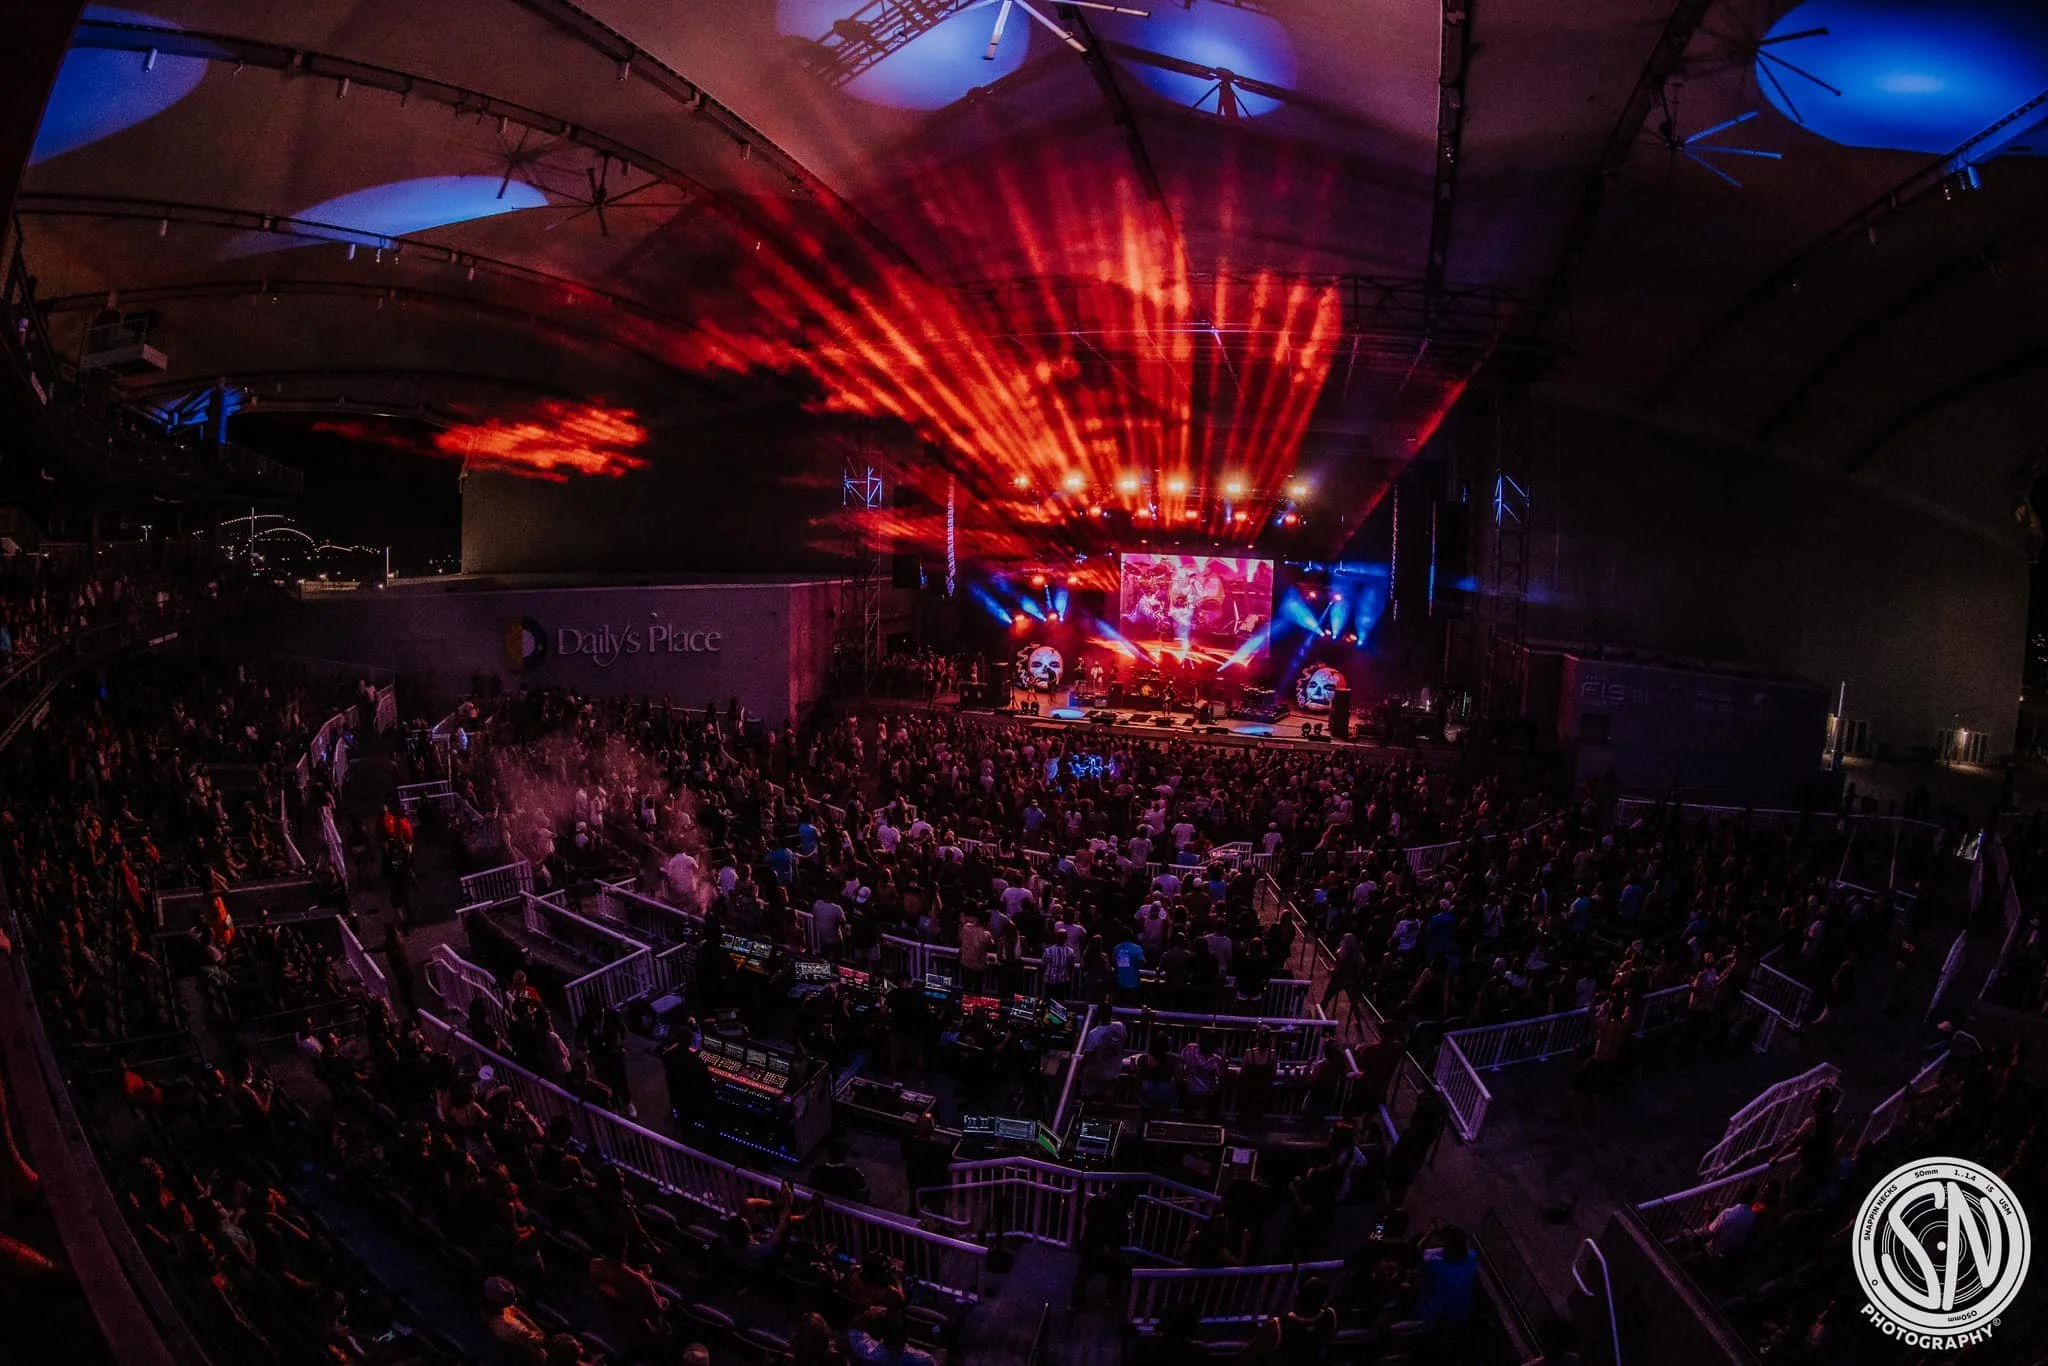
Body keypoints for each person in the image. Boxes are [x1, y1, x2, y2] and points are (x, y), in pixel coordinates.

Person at [1070, 1186, 1131, 1309]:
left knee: (1083, 1274)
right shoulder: (1120, 1211)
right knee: (1116, 1272)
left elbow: (1087, 1212)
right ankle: (1110, 1299)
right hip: (1105, 1248)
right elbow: (1122, 1233)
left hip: (1090, 1245)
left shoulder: (1098, 1203)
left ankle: (1074, 1303)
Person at [1416, 1225, 1479, 1325]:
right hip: (1462, 1315)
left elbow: (1417, 1251)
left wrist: (1429, 1234)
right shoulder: (1473, 1257)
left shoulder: (1433, 1263)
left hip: (1432, 1316)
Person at [900, 1113, 952, 1215]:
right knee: (938, 1211)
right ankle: (940, 1227)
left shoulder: (910, 1144)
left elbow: (905, 1156)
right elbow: (946, 1164)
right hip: (935, 1186)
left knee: (914, 1209)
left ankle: (911, 1227)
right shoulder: (941, 1148)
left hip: (916, 1184)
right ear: (933, 1128)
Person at [809, 1138, 871, 1204]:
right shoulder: (854, 1174)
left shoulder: (815, 1171)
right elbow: (865, 1194)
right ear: (845, 1156)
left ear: (829, 1154)